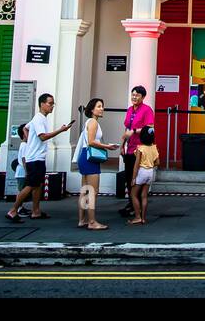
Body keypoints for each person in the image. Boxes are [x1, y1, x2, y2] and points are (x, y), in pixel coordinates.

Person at [7, 93, 73, 222]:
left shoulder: (39, 119)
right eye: (50, 103)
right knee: (31, 185)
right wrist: (61, 130)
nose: (52, 106)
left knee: (38, 185)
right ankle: (13, 210)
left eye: (53, 103)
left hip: (38, 157)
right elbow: (42, 136)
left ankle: (36, 211)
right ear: (42, 104)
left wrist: (28, 141)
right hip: (35, 158)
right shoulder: (39, 119)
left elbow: (26, 128)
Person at [75, 98, 120, 230]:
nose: (102, 108)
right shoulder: (93, 122)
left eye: (102, 106)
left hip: (84, 156)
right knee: (93, 192)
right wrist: (108, 146)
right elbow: (91, 142)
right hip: (90, 159)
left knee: (84, 190)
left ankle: (82, 220)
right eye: (99, 106)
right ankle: (92, 221)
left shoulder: (89, 122)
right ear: (92, 109)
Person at [118, 85, 155, 218]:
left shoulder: (147, 110)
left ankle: (136, 207)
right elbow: (126, 129)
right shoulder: (129, 110)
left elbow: (149, 127)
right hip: (129, 148)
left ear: (143, 97)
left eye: (137, 95)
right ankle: (131, 203)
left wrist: (134, 131)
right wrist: (122, 145)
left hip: (140, 149)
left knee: (137, 179)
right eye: (133, 95)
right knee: (129, 178)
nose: (134, 97)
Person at [128, 126, 159, 225]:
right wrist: (150, 165)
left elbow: (136, 165)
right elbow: (157, 162)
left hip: (141, 171)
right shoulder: (154, 147)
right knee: (144, 196)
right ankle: (143, 218)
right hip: (150, 172)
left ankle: (137, 217)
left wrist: (133, 178)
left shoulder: (140, 149)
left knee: (133, 194)